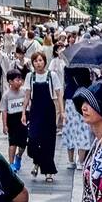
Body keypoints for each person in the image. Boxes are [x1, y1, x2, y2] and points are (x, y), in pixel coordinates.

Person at [24, 49, 63, 180]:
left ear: (45, 62)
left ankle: (49, 171)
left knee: (48, 141)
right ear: (33, 63)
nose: (38, 63)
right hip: (35, 111)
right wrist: (24, 112)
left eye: (40, 60)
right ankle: (37, 161)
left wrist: (62, 112)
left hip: (49, 111)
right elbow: (27, 95)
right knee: (33, 139)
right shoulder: (30, 76)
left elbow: (58, 94)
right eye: (35, 61)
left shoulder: (52, 75)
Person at [61, 64, 95, 169]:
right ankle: (81, 162)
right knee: (83, 129)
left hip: (70, 99)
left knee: (70, 129)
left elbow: (66, 83)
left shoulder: (67, 68)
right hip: (83, 99)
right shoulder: (85, 68)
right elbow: (89, 84)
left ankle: (71, 161)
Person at [1, 68, 29, 172]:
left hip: (22, 120)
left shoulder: (24, 92)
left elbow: (27, 105)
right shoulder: (6, 95)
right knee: (12, 143)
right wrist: (4, 125)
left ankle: (19, 156)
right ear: (10, 82)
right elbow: (4, 111)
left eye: (21, 79)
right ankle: (11, 164)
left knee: (22, 144)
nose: (20, 82)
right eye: (17, 80)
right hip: (12, 120)